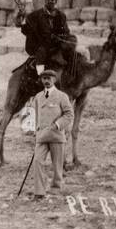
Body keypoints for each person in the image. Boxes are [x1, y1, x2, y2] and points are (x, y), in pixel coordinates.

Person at [28, 66, 74, 199]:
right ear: (41, 80)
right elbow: (34, 114)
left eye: (49, 78)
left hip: (57, 136)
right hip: (41, 136)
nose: (46, 81)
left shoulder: (62, 96)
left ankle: (56, 188)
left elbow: (69, 115)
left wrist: (57, 125)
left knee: (57, 165)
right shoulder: (38, 97)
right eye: (44, 78)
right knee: (37, 161)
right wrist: (34, 130)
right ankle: (39, 192)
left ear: (54, 79)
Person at [17, 0, 77, 84]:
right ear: (45, 1)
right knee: (41, 52)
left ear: (56, 2)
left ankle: (71, 74)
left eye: (52, 0)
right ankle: (40, 77)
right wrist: (20, 22)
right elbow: (26, 28)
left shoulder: (61, 15)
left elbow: (66, 31)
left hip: (57, 43)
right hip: (41, 43)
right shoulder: (36, 15)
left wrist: (62, 37)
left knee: (73, 42)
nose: (50, 2)